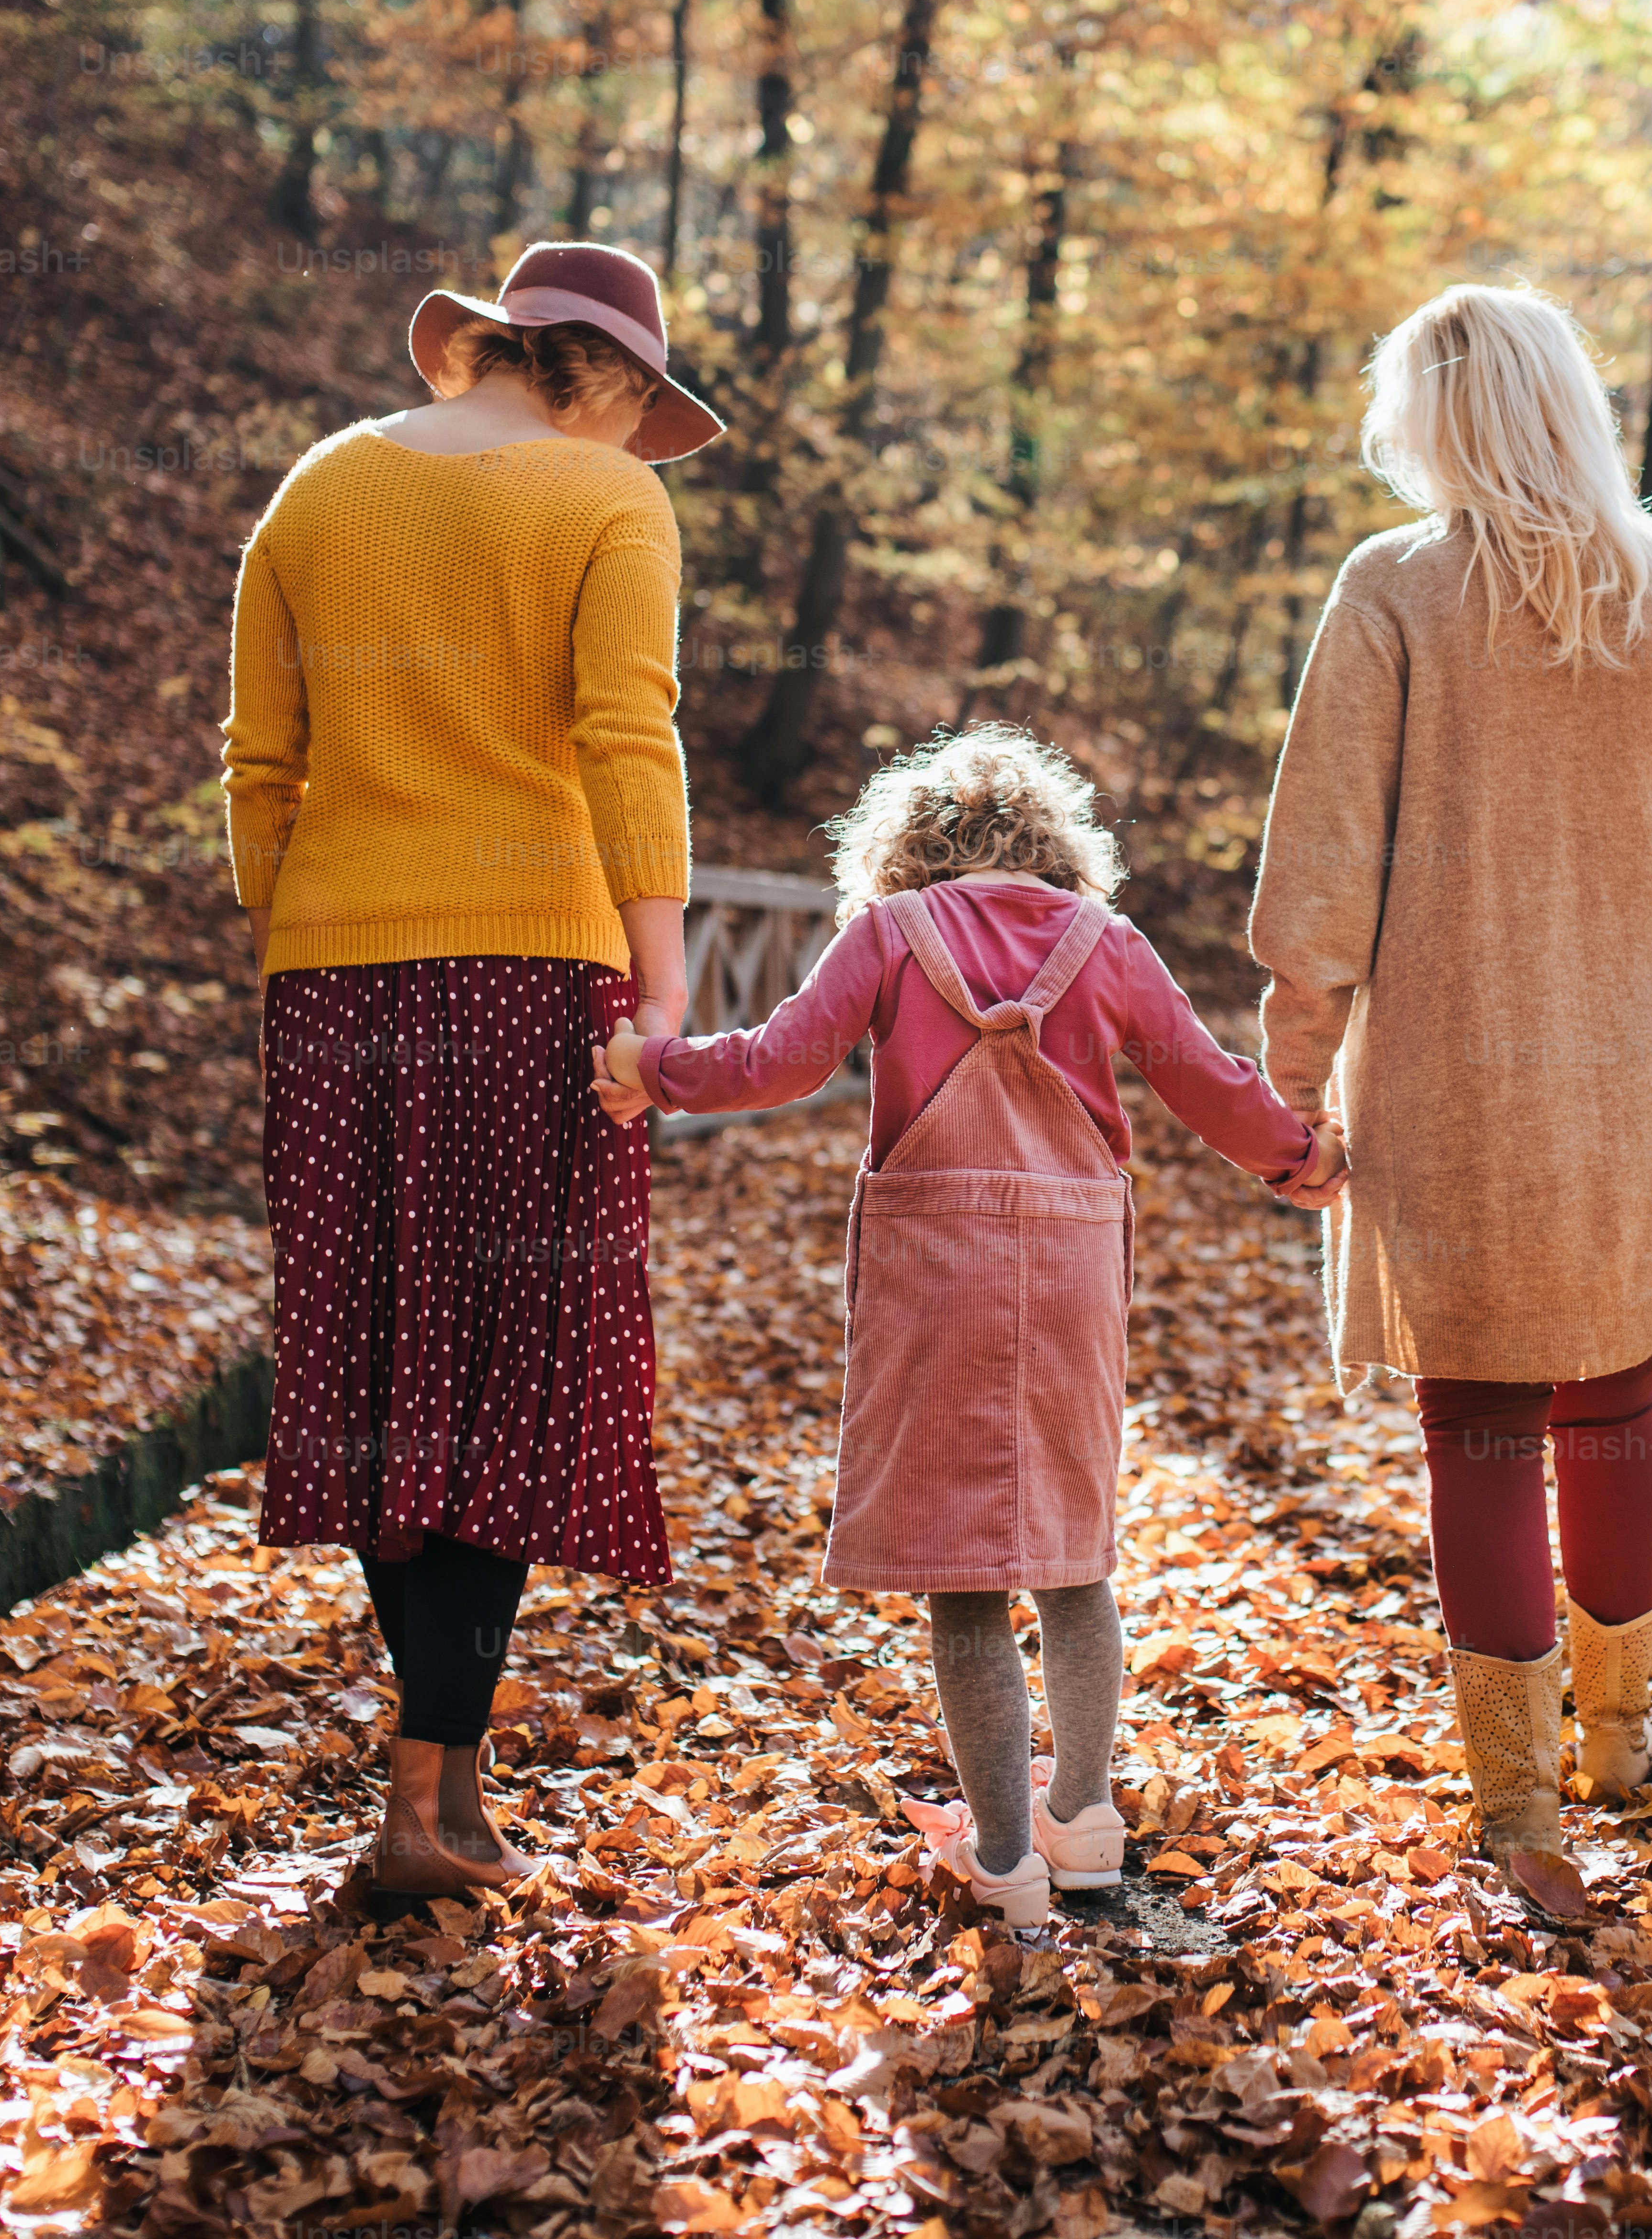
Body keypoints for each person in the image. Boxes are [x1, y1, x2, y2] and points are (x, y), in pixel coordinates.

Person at [589, 726, 1348, 1921]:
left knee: (964, 1573)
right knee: (1073, 1547)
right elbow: (1208, 1078)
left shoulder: (889, 936)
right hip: (1072, 1270)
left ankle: (1003, 1860)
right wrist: (1302, 1157)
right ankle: (1085, 1820)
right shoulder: (1110, 944)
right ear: (1055, 845)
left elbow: (778, 1062)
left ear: (908, 850)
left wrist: (655, 1065)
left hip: (936, 1265)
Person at [1249, 283, 1652, 1863]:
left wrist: (1291, 1072)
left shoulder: (1394, 585)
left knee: (1478, 1420)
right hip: (1644, 1066)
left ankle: (1516, 1800)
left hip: (1456, 1062)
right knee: (1613, 1399)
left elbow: (1324, 859)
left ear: (1429, 416)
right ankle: (1615, 1747)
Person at [221, 240, 722, 1897]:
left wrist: (302, 909)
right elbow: (624, 737)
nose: (641, 438)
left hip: (334, 978)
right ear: (592, 373)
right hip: (533, 972)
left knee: (374, 1361)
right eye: (639, 402)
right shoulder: (603, 504)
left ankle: (430, 1799)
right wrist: (660, 989)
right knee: (514, 1369)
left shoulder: (314, 488)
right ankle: (431, 1798)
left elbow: (259, 766)